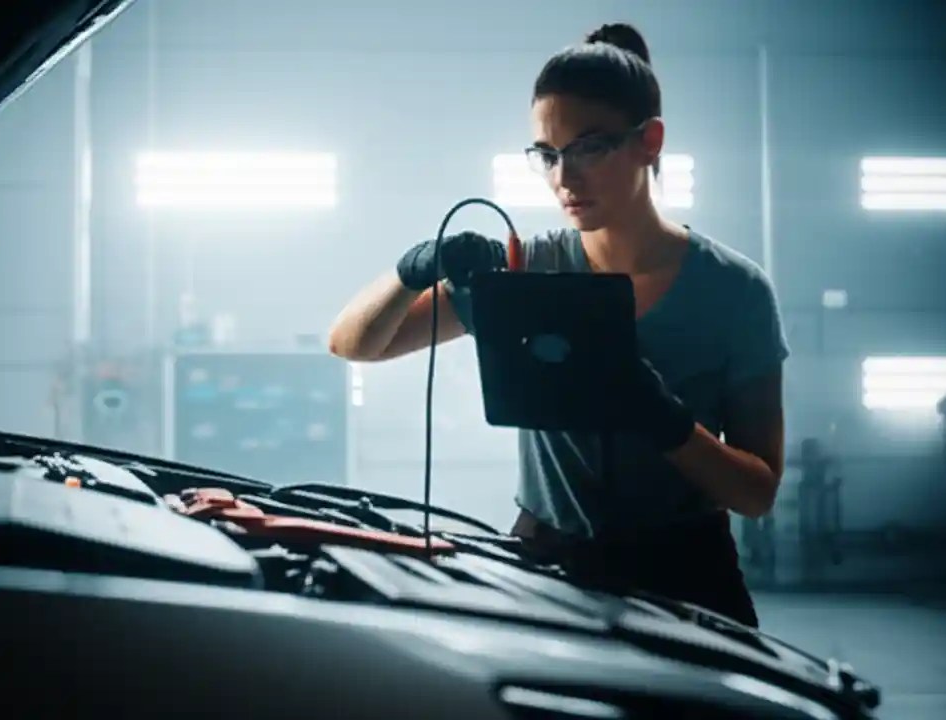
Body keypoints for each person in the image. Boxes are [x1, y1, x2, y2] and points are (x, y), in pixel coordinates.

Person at [327, 23, 788, 627]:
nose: (564, 178)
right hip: (548, 565)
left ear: (649, 141)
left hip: (684, 577)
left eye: (590, 148)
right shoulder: (527, 270)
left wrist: (665, 419)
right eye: (548, 155)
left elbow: (756, 493)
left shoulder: (735, 290)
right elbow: (354, 344)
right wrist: (413, 271)